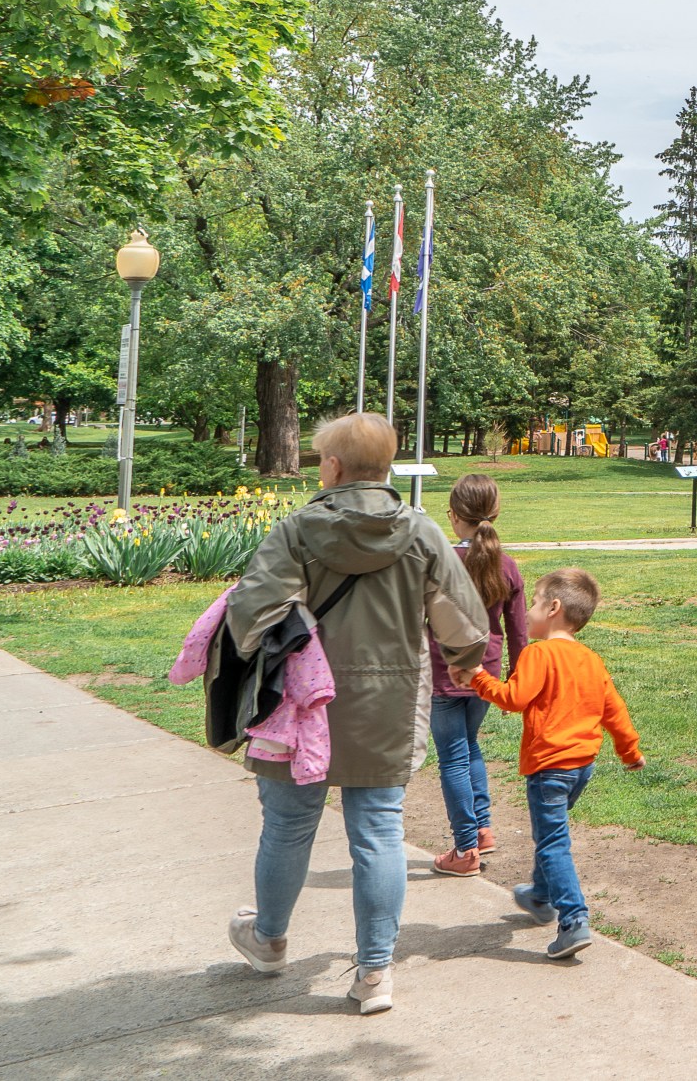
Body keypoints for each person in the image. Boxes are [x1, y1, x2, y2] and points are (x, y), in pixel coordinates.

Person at [224, 412, 492, 1015]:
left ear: (335, 466)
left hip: (299, 707)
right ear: (387, 467)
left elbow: (248, 620)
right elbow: (466, 628)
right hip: (389, 704)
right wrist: (457, 660)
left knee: (287, 827)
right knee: (379, 834)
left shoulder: (296, 532)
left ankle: (268, 939)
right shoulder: (423, 535)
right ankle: (375, 974)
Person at [467, 567, 642, 959]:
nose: (527, 610)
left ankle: (574, 920)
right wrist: (630, 752)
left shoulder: (538, 653)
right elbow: (614, 711)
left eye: (534, 602)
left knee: (552, 843)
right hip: (582, 767)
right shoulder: (591, 660)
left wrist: (477, 677)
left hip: (550, 768)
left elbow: (514, 698)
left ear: (554, 608)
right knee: (553, 835)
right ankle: (541, 895)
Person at [426, 473, 526, 877]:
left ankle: (465, 849)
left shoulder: (439, 562)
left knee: (452, 758)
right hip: (487, 672)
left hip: (445, 672)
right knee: (471, 747)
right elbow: (519, 632)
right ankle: (483, 829)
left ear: (453, 516)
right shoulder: (507, 565)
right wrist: (516, 683)